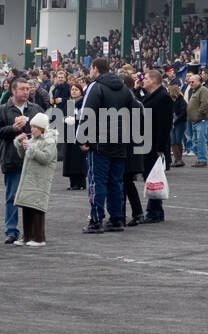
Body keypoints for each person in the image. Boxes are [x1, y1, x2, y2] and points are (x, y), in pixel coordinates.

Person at [79, 57, 137, 233]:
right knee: (116, 182)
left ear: (95, 68)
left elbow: (86, 112)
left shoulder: (95, 87)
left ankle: (96, 220)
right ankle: (117, 218)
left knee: (98, 182)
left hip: (100, 142)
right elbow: (135, 111)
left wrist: (82, 138)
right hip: (120, 141)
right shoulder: (124, 89)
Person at [0, 77, 36, 244]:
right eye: (22, 89)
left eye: (28, 89)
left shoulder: (35, 109)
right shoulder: (3, 110)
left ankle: (32, 230)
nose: (26, 92)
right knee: (12, 196)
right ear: (13, 91)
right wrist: (11, 129)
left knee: (32, 196)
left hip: (33, 159)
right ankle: (11, 230)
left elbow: (47, 129)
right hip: (12, 158)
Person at [13, 113, 57, 246]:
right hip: (30, 179)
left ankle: (39, 237)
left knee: (37, 208)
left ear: (42, 128)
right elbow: (23, 155)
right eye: (31, 127)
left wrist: (31, 149)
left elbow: (46, 158)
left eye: (35, 127)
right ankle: (27, 236)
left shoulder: (49, 141)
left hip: (40, 180)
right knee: (27, 206)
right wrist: (20, 144)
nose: (32, 130)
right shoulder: (33, 140)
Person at [139, 69, 172, 223]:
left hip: (155, 144)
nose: (143, 80)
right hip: (147, 141)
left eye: (145, 78)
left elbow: (164, 124)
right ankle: (154, 209)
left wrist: (160, 147)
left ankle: (155, 211)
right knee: (149, 176)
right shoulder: (150, 96)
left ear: (153, 80)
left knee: (153, 177)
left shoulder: (163, 97)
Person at [61, 81, 88, 188]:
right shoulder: (68, 103)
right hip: (69, 134)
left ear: (81, 92)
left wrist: (76, 120)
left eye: (76, 90)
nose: (74, 91)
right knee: (70, 159)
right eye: (72, 89)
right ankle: (73, 183)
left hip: (79, 134)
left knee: (79, 160)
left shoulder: (83, 103)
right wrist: (65, 119)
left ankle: (81, 182)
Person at [185, 73, 208, 166]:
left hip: (202, 120)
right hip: (196, 120)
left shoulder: (203, 90)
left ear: (199, 81)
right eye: (189, 82)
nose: (190, 83)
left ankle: (202, 159)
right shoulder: (195, 91)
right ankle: (200, 159)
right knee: (196, 140)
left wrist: (197, 117)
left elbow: (204, 105)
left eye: (192, 82)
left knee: (201, 140)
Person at [167, 81, 188, 168]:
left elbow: (183, 112)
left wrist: (175, 119)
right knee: (173, 140)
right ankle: (177, 159)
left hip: (180, 123)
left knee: (178, 140)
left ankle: (179, 159)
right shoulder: (171, 101)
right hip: (173, 122)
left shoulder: (181, 101)